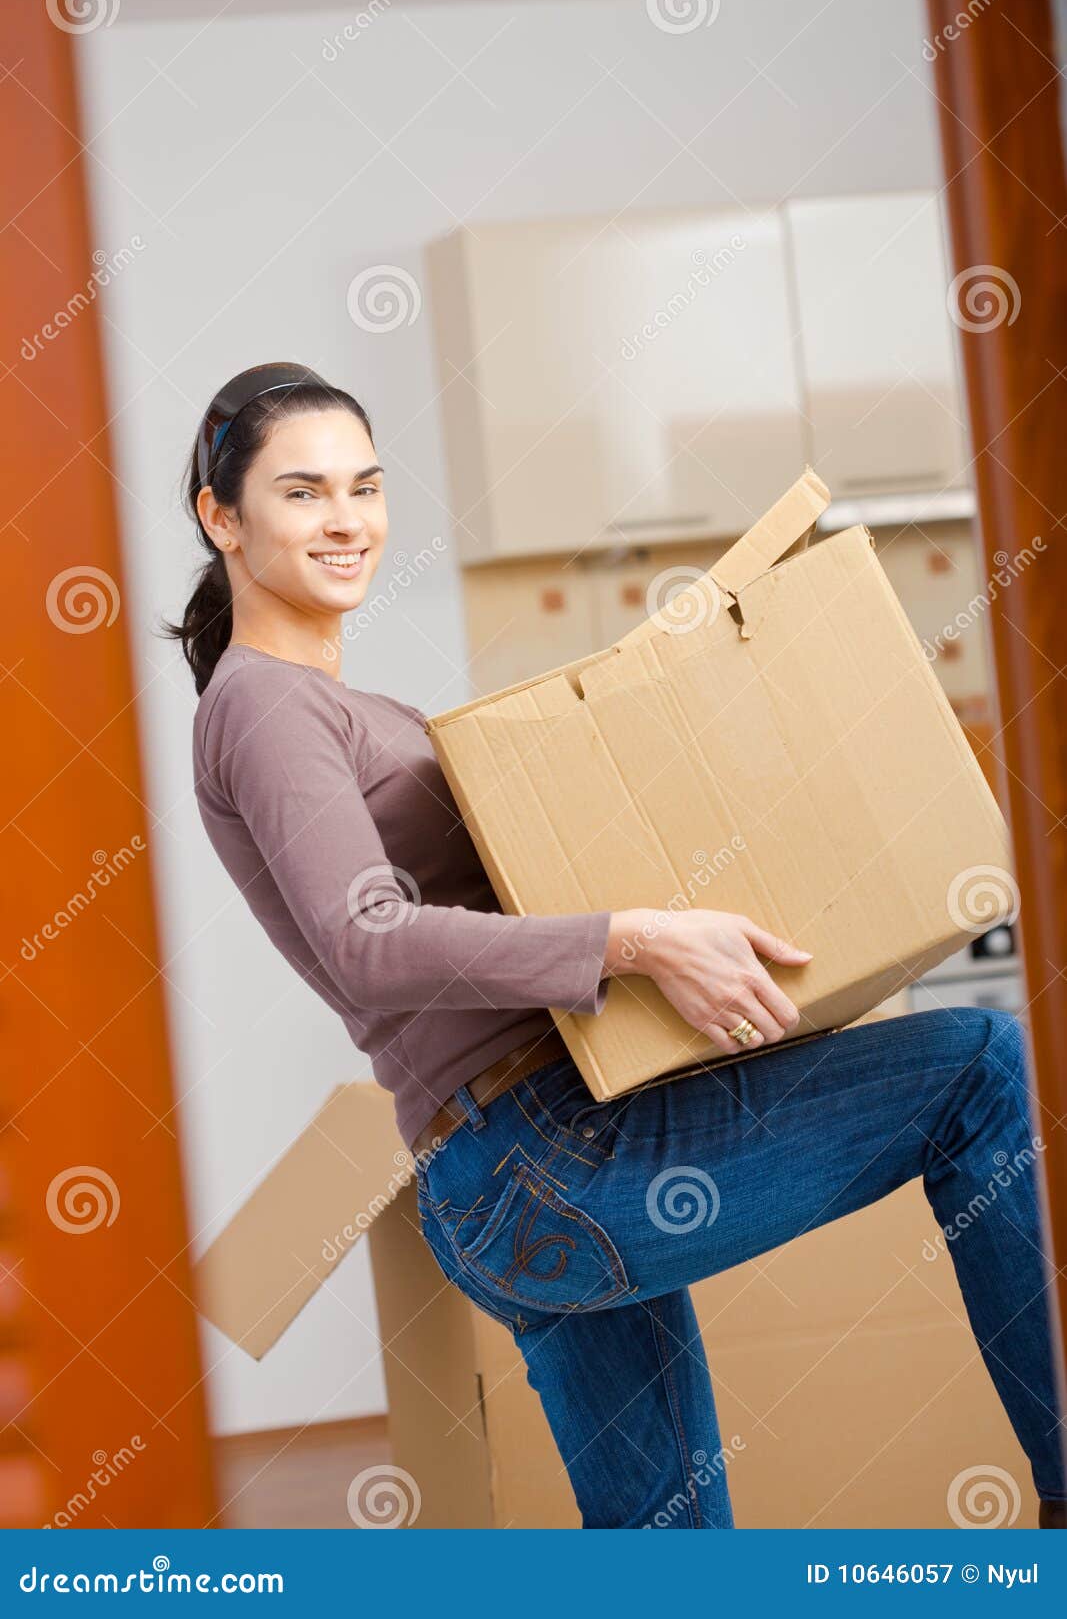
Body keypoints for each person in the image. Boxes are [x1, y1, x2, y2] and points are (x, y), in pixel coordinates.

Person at [168, 362, 1066, 1529]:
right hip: (544, 1156)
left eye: (365, 486)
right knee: (978, 1070)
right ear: (222, 517)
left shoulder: (344, 702)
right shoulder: (263, 704)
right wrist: (632, 937)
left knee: (665, 1543)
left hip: (526, 1167)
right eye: (303, 492)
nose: (346, 520)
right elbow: (365, 941)